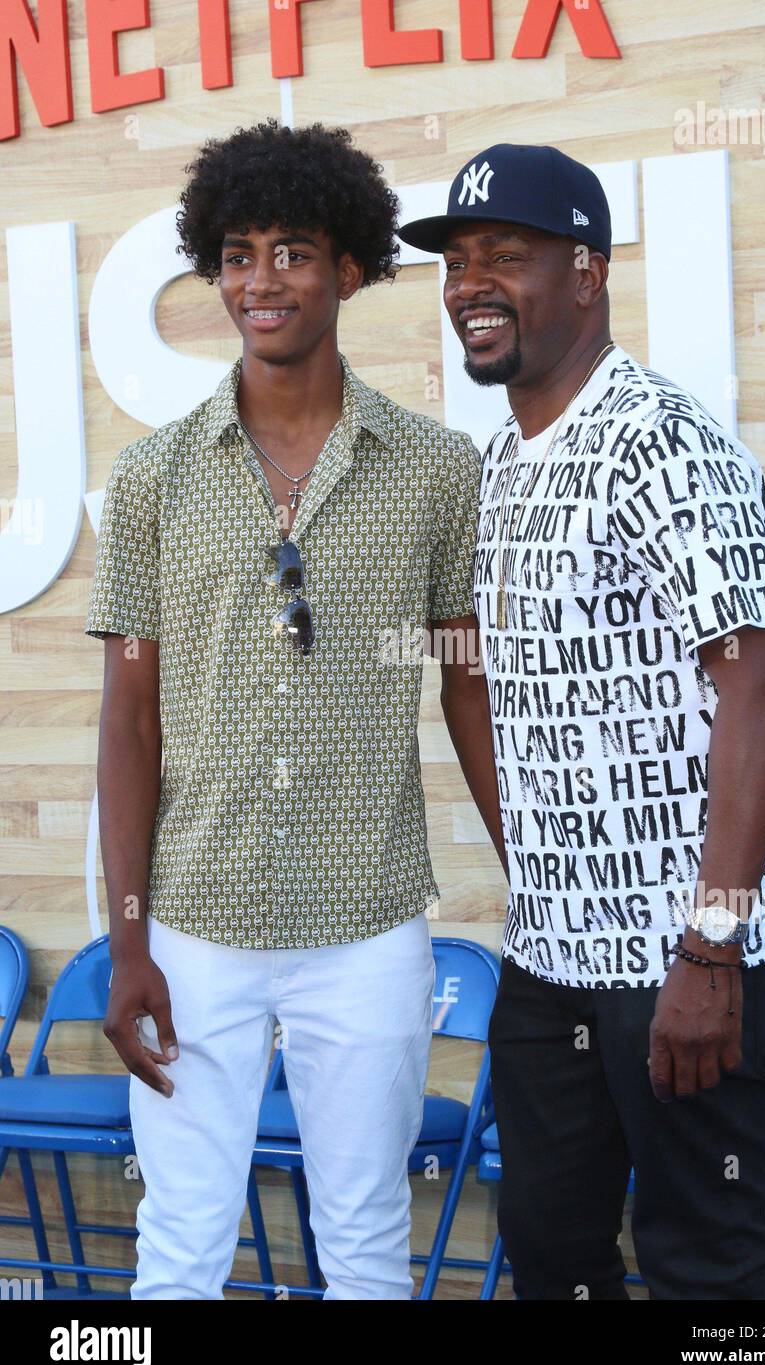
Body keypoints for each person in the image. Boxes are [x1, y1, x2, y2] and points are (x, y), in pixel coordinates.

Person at [398, 143, 765, 1300]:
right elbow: (479, 678)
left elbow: (761, 684)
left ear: (586, 272)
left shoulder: (658, 437)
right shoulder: (499, 462)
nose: (469, 282)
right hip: (553, 955)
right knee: (551, 1253)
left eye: (507, 255)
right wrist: (534, 861)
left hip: (691, 957)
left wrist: (709, 941)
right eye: (455, 261)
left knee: (704, 1271)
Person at [85, 119, 506, 1301]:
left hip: (369, 930)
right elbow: (127, 720)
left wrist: (531, 862)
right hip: (190, 928)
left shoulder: (433, 468)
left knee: (367, 1233)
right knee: (181, 1237)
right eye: (237, 253)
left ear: (352, 268)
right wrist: (127, 942)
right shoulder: (154, 475)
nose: (259, 281)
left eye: (292, 252)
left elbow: (465, 679)